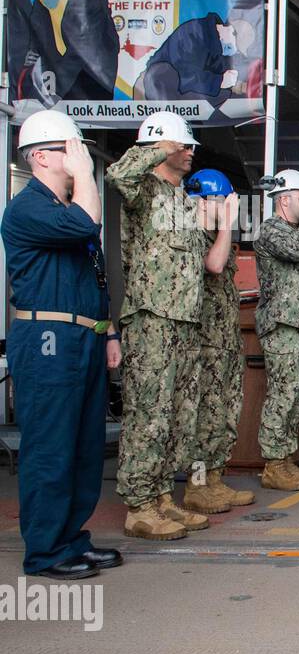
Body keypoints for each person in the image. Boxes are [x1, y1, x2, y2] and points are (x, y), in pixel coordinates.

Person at [1, 110, 120, 578]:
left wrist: (108, 330)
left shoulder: (65, 209)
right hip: (48, 338)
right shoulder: (29, 207)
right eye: (71, 147)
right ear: (42, 156)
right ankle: (46, 551)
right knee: (51, 446)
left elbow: (94, 274)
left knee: (84, 446)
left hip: (83, 335)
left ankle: (71, 539)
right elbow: (87, 225)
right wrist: (87, 174)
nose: (80, 155)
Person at [106, 111, 211, 539]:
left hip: (186, 318)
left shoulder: (184, 199)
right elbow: (116, 175)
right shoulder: (142, 188)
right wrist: (158, 146)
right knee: (149, 412)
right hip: (152, 316)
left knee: (179, 414)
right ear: (162, 147)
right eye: (183, 146)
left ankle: (163, 496)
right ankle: (139, 505)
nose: (190, 153)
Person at [181, 169, 254, 515]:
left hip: (222, 342)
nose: (229, 209)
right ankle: (196, 486)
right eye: (224, 202)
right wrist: (226, 224)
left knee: (222, 415)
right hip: (202, 344)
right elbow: (214, 265)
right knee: (202, 419)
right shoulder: (190, 230)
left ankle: (213, 479)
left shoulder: (212, 233)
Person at [253, 169, 299, 491]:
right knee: (283, 394)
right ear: (284, 199)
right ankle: (273, 464)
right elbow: (295, 250)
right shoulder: (271, 230)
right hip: (283, 325)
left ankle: (285, 459)